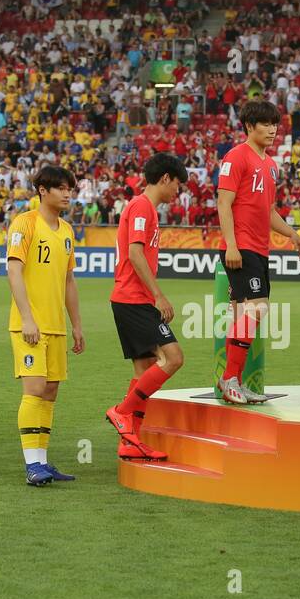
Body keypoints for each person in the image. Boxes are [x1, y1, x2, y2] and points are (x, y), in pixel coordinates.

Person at [216, 100, 300, 405]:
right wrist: (231, 244)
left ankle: (234, 382)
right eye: (266, 124)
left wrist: (292, 233)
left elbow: (268, 211)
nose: (272, 130)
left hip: (259, 248)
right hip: (241, 247)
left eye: (275, 124)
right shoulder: (236, 157)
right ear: (249, 126)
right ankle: (230, 378)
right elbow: (223, 203)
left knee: (245, 312)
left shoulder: (270, 164)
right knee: (257, 308)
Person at [104, 153, 187, 462]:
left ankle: (129, 441)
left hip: (129, 299)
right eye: (177, 184)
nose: (178, 191)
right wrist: (159, 296)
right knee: (173, 358)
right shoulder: (142, 206)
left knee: (144, 371)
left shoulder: (145, 208)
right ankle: (122, 412)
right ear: (165, 178)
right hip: (134, 298)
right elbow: (135, 253)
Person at [7, 165, 86, 487]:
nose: (68, 193)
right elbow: (13, 270)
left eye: (70, 188)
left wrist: (77, 325)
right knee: (35, 389)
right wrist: (27, 317)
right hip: (29, 325)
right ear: (43, 190)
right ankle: (31, 464)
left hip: (56, 326)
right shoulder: (24, 223)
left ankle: (41, 461)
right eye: (62, 188)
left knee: (50, 392)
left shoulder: (67, 231)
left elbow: (69, 280)